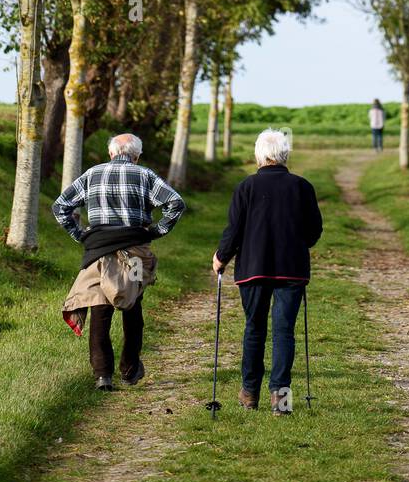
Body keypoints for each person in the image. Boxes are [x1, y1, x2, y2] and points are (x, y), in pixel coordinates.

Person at [52, 133, 185, 391]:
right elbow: (175, 203)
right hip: (134, 253)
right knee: (132, 307)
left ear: (111, 153)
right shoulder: (144, 175)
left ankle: (103, 375)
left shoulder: (92, 174)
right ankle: (130, 368)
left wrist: (80, 235)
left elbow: (60, 206)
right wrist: (156, 231)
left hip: (99, 253)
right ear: (136, 156)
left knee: (100, 310)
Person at [212, 128, 323, 414]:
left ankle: (249, 393)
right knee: (284, 331)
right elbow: (314, 231)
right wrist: (299, 243)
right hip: (292, 268)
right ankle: (281, 399)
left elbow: (234, 230)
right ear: (284, 155)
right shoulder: (302, 186)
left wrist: (221, 257)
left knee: (254, 329)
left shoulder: (246, 187)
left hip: (253, 268)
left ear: (259, 155)